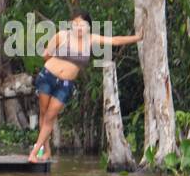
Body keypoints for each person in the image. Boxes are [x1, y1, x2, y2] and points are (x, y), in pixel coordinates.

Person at [30, 11, 141, 162]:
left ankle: (34, 153)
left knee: (50, 116)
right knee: (43, 114)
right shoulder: (62, 35)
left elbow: (115, 40)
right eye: (75, 24)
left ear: (89, 26)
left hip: (65, 84)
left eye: (82, 24)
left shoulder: (91, 39)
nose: (78, 27)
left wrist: (137, 37)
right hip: (47, 76)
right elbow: (46, 55)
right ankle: (46, 151)